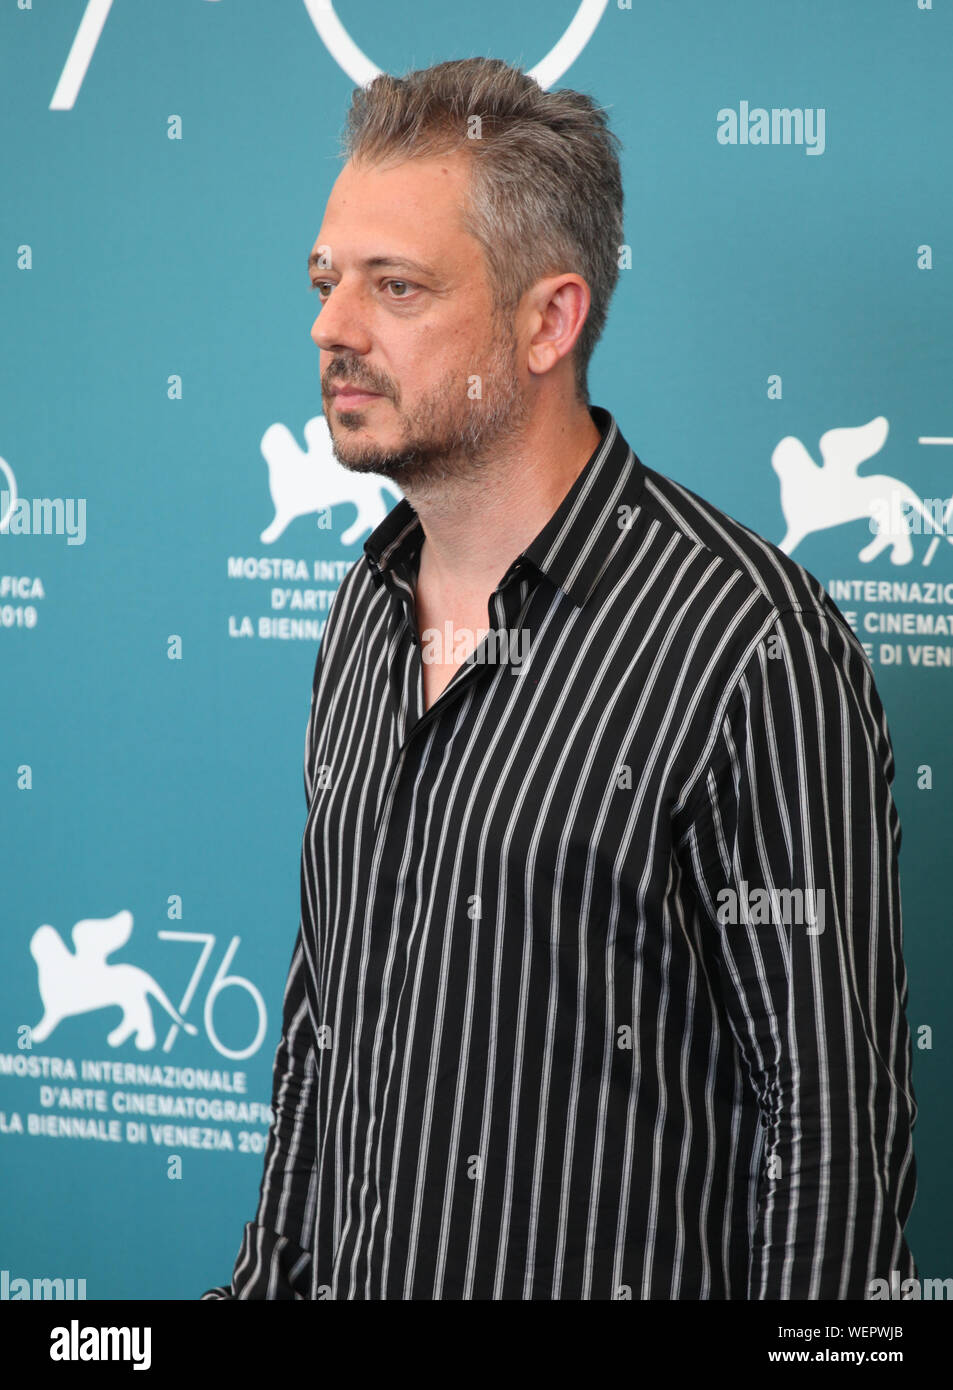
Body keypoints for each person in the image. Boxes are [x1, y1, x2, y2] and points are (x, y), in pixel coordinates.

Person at [202, 57, 916, 1300]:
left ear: (548, 320)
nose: (331, 327)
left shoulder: (744, 644)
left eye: (397, 287)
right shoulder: (363, 614)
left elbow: (830, 1141)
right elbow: (323, 1040)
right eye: (328, 282)